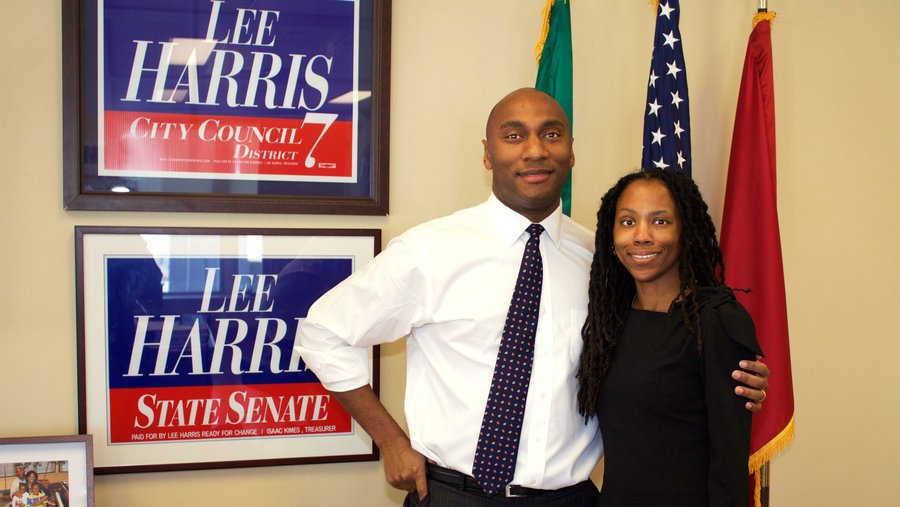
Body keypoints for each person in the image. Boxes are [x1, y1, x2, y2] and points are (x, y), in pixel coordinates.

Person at [297, 88, 769, 506]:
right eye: (514, 135)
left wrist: (731, 373)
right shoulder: (429, 250)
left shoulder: (604, 261)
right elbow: (323, 332)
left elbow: (656, 348)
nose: (535, 151)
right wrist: (391, 440)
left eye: (551, 134)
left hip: (572, 499)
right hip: (454, 496)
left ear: (570, 153)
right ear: (487, 153)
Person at [577, 169, 762, 506]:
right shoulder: (611, 321)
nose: (641, 236)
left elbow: (729, 463)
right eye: (628, 222)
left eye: (660, 221)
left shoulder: (716, 319)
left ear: (684, 231)